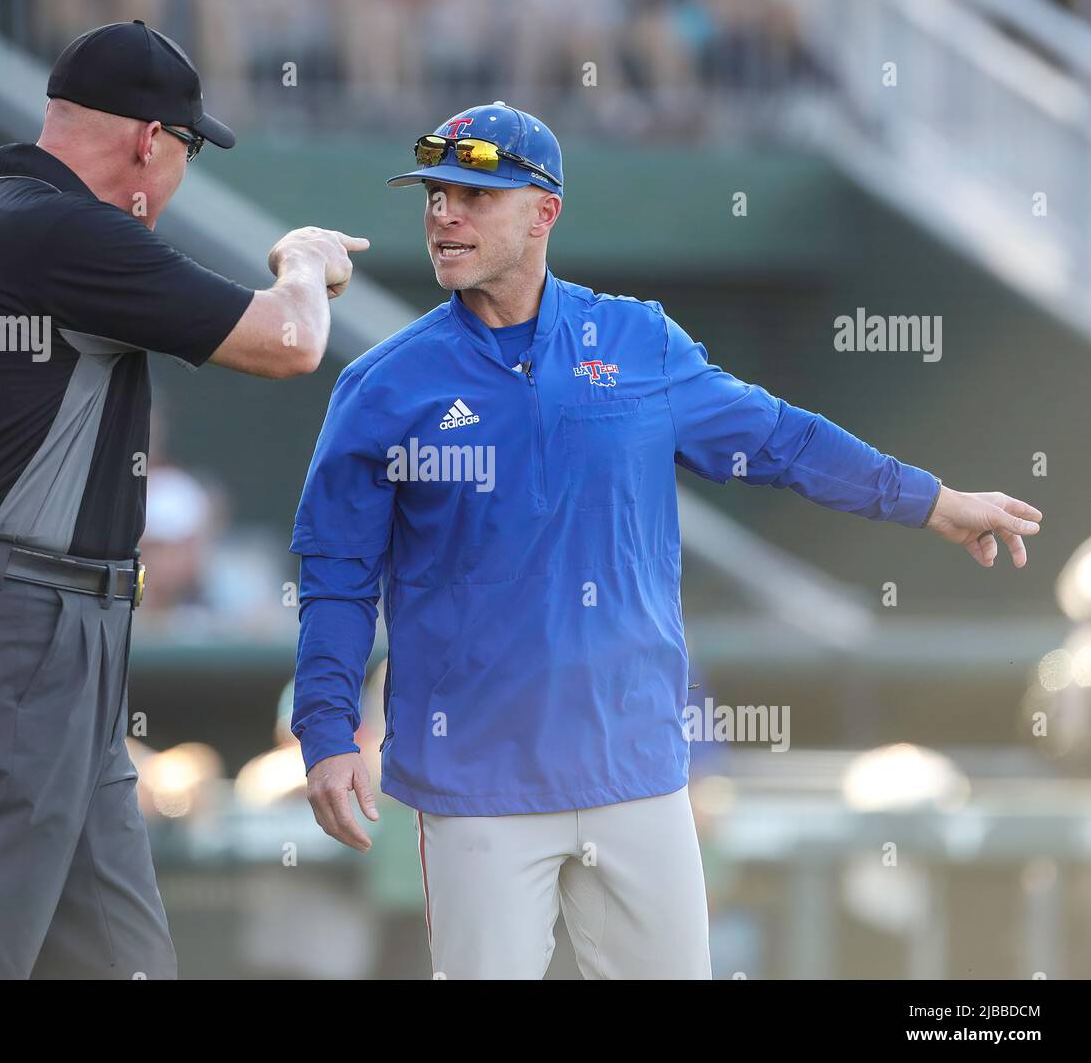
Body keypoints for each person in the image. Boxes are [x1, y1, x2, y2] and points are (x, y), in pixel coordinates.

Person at [288, 102, 1043, 979]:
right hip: (476, 784)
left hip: (637, 769)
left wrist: (932, 501)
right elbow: (334, 576)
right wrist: (327, 731)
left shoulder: (638, 341)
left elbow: (780, 439)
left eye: (474, 195)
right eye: (435, 196)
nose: (444, 215)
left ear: (544, 211)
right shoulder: (383, 383)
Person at [0, 19, 367, 980]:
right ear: (152, 141)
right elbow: (292, 342)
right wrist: (305, 260)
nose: (179, 171)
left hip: (16, 638)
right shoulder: (73, 232)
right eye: (186, 149)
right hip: (22, 633)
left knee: (117, 953)